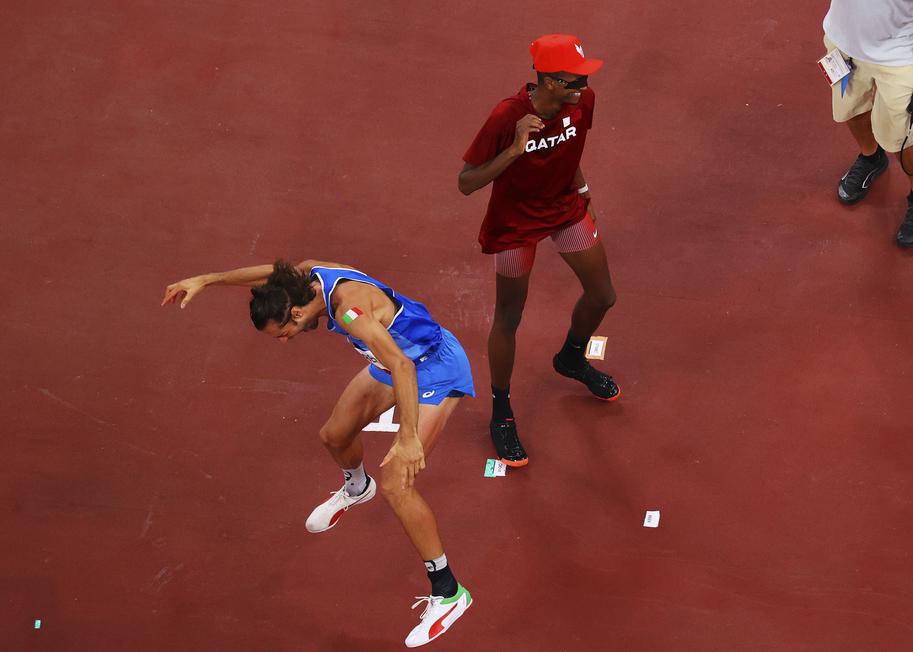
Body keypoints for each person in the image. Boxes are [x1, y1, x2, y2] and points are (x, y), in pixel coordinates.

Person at [161, 259, 473, 648]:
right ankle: (357, 487)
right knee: (334, 436)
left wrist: (407, 437)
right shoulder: (308, 276)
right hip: (389, 360)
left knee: (397, 483)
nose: (285, 341)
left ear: (296, 312)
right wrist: (208, 278)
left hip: (432, 367)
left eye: (284, 333)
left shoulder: (349, 311)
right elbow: (271, 275)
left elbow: (403, 367)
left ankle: (449, 592)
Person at [458, 34, 619, 468]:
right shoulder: (507, 116)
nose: (583, 86)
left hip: (564, 208)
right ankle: (501, 410)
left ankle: (571, 357)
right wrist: (514, 149)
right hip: (515, 225)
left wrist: (583, 191)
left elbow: (570, 150)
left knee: (602, 295)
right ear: (549, 82)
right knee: (509, 318)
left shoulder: (582, 103)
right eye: (574, 80)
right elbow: (466, 182)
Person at [823, 0, 913, 246]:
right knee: (850, 108)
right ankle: (871, 158)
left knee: (905, 138)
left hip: (900, 55)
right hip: (842, 40)